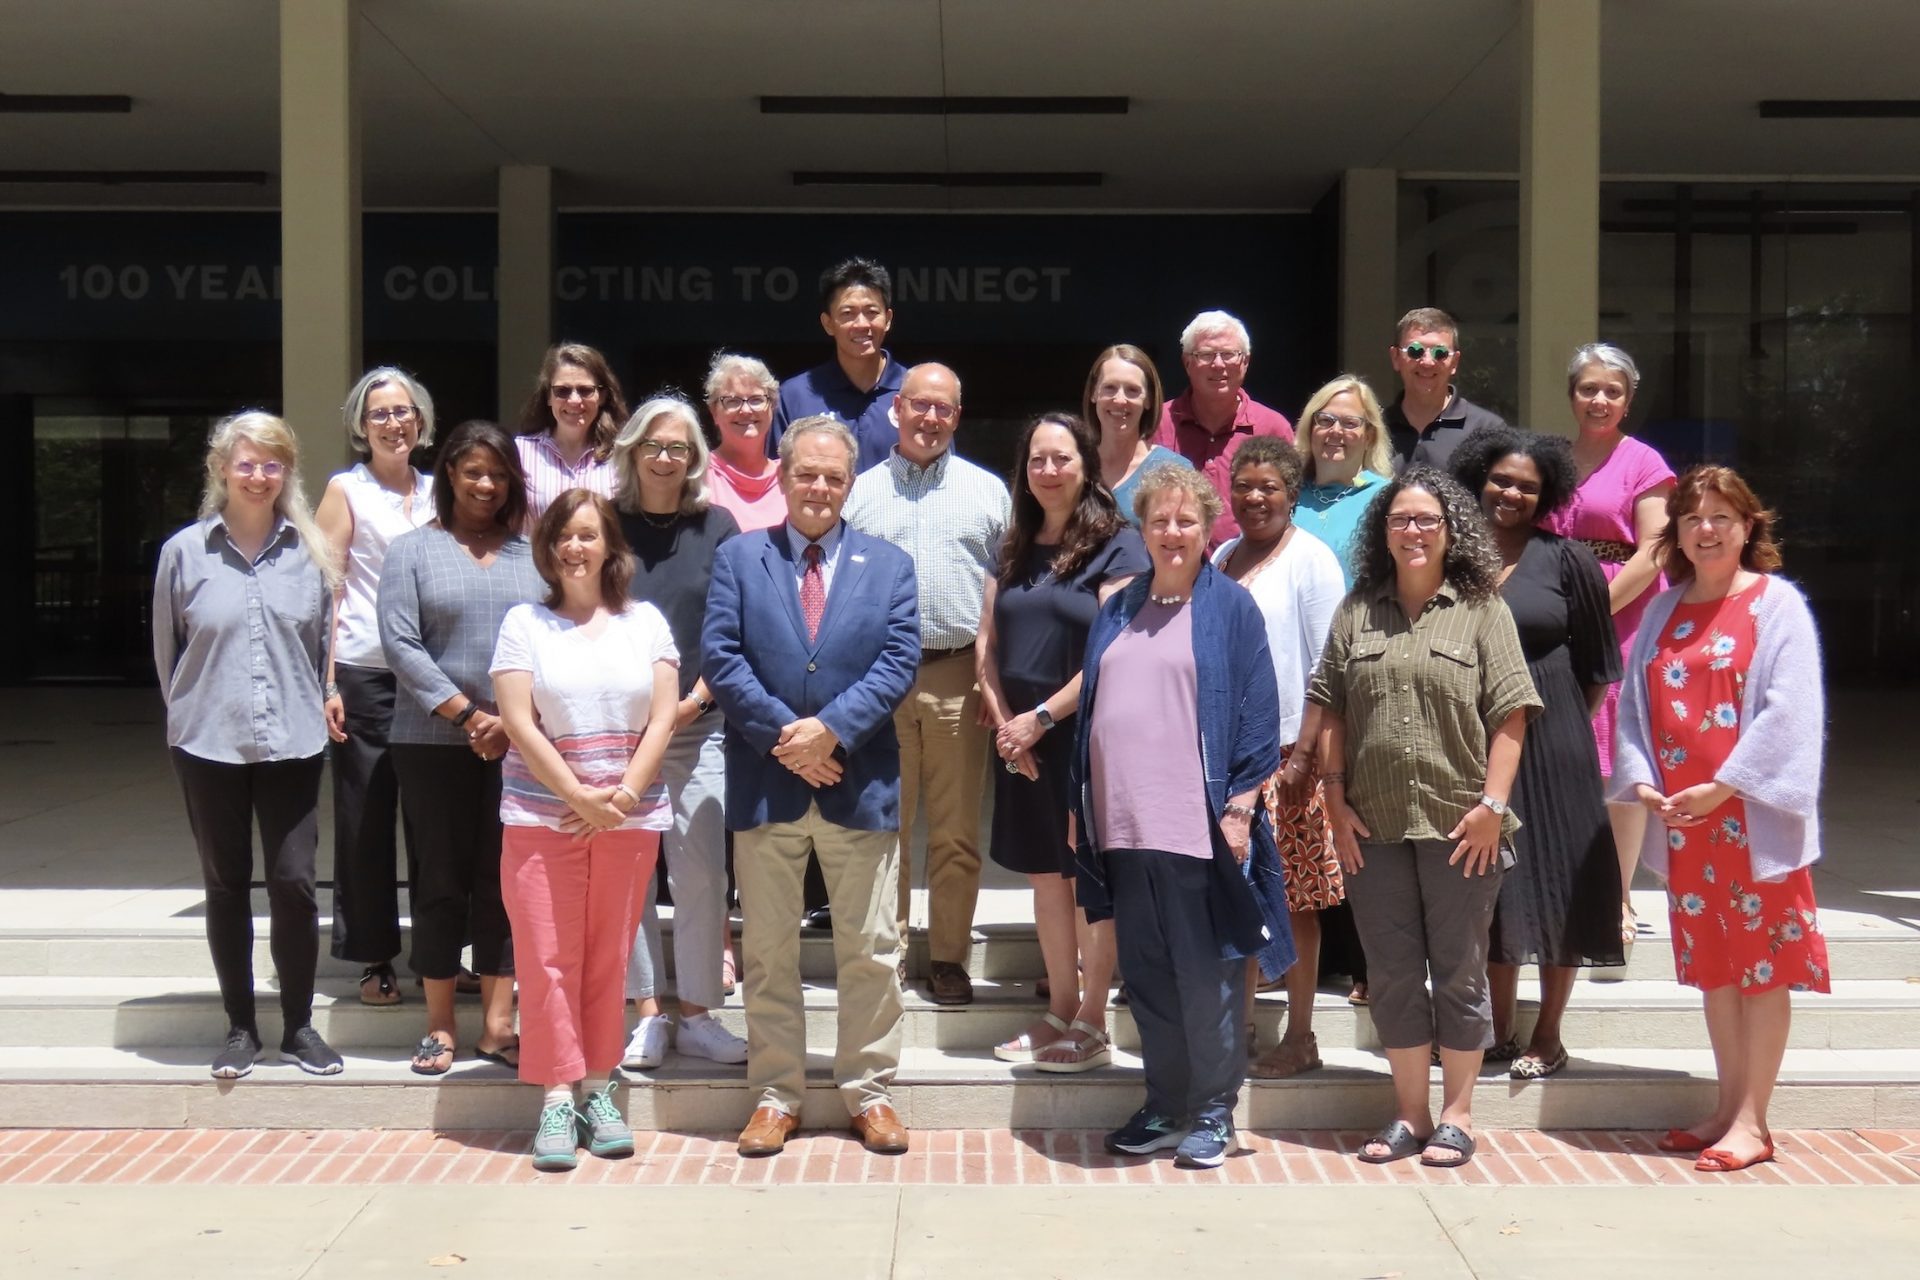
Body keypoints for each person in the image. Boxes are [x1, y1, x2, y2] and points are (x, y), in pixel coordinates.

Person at [1309, 467, 1541, 1168]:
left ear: (1450, 531)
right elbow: (1331, 707)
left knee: (1461, 971)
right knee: (1393, 972)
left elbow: (1511, 715)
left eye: (1427, 521)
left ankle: (1459, 1114)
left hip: (1459, 827)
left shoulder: (1481, 610)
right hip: (1373, 828)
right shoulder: (1357, 610)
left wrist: (1492, 808)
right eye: (1401, 520)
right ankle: (1409, 1114)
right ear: (1383, 531)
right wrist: (1333, 801)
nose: (1414, 532)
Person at [702, 415, 920, 1158]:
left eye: (833, 476)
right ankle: (775, 1094)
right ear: (784, 477)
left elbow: (898, 660)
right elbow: (722, 660)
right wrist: (787, 741)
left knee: (870, 949)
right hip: (769, 783)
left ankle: (869, 1091)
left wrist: (831, 731)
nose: (819, 488)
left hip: (859, 781)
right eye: (806, 474)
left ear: (848, 482)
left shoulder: (889, 565)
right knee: (768, 951)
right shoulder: (739, 558)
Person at [1612, 466, 1831, 1174]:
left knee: (1762, 970)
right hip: (1687, 824)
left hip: (1749, 822)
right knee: (1716, 972)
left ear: (1747, 527)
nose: (1706, 531)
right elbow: (1637, 708)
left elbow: (1791, 715)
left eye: (1721, 518)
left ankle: (1753, 1121)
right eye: (1692, 519)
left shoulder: (1777, 606)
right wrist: (1642, 779)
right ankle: (1725, 1105)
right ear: (1674, 532)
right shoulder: (1663, 610)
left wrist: (1724, 787)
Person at [1074, 465, 1292, 1171]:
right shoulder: (1116, 606)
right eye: (1160, 521)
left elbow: (1260, 714)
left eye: (1187, 521)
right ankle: (1164, 1103)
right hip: (1123, 828)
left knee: (1208, 981)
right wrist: (1082, 807)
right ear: (1143, 529)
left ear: (1208, 530)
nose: (1173, 533)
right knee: (1146, 975)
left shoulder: (1229, 607)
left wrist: (1237, 809)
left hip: (1198, 831)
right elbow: (1092, 713)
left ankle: (1211, 1113)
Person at [491, 489, 680, 1172]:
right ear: (548, 548)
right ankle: (555, 1097)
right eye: (564, 536)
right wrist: (575, 794)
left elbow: (663, 717)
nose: (577, 547)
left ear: (610, 547)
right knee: (546, 958)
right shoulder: (524, 624)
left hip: (629, 817)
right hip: (541, 817)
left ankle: (599, 1091)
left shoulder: (647, 622)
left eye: (589, 535)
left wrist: (623, 794)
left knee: (608, 956)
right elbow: (516, 719)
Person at [152, 412, 345, 1078]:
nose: (259, 476)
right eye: (247, 463)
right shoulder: (183, 552)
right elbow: (166, 654)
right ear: (221, 469)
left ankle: (298, 1026)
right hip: (209, 741)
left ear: (287, 471)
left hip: (293, 740)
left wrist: (326, 699)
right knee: (226, 885)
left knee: (293, 885)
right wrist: (183, 720)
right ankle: (240, 1026)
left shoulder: (311, 552)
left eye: (272, 464)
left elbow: (325, 649)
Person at [1450, 429, 1625, 1079]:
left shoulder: (1569, 560)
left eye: (1526, 484)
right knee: (1489, 885)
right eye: (1500, 479)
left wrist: (1561, 733)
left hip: (1555, 744)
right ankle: (1498, 1031)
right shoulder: (1453, 557)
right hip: (1470, 739)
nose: (1511, 492)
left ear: (1546, 491)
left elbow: (1599, 667)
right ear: (1478, 480)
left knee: (1558, 884)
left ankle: (1546, 1036)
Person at [977, 413, 1147, 1070]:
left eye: (1062, 459)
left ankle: (1094, 1019)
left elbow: (1114, 649)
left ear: (1086, 465)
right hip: (1020, 742)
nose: (1049, 471)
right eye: (1038, 460)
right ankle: (1059, 1011)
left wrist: (1040, 719)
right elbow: (987, 645)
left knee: (1086, 880)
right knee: (1046, 880)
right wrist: (1004, 721)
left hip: (1084, 736)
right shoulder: (1013, 545)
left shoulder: (1119, 545)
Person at [844, 363, 1010, 1006]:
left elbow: (1004, 592)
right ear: (897, 410)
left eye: (944, 408)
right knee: (883, 827)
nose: (931, 418)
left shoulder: (988, 493)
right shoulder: (859, 495)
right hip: (878, 682)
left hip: (956, 675)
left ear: (956, 417)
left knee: (955, 830)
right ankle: (886, 955)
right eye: (920, 406)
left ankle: (947, 959)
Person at [379, 421, 540, 1076]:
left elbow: (547, 637)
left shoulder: (532, 555)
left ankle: (498, 1028)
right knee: (440, 879)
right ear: (449, 473)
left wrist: (509, 722)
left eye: (498, 474)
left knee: (503, 883)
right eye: (473, 471)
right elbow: (400, 645)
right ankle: (440, 1025)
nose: (485, 484)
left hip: (519, 744)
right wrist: (470, 715)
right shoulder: (412, 551)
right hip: (432, 742)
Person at [609, 395, 748, 1070]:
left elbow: (731, 625)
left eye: (680, 449)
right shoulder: (603, 523)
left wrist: (692, 701)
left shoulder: (718, 527)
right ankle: (646, 1015)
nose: (666, 459)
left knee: (700, 874)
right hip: (619, 733)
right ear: (632, 450)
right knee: (630, 875)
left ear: (695, 460)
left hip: (698, 725)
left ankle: (696, 1012)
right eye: (654, 446)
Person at [1212, 438, 1346, 1080]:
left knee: (1294, 897)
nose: (1255, 497)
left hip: (1290, 755)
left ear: (1293, 492)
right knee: (1234, 894)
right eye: (1244, 486)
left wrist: (1306, 762)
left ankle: (1300, 1034)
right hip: (1228, 756)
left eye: (1269, 486)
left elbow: (1329, 665)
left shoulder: (1312, 560)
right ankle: (1234, 1026)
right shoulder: (1219, 557)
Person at [1539, 344, 1676, 953]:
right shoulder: (1554, 460)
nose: (1599, 401)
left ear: (1629, 399)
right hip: (1558, 617)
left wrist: (1595, 609)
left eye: (1612, 391)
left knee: (1620, 765)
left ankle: (1617, 894)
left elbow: (1654, 551)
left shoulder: (1645, 463)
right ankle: (1569, 882)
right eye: (1589, 389)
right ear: (1572, 394)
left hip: (1623, 620)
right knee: (1568, 759)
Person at [315, 367, 436, 1008]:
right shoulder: (347, 490)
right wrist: (327, 680)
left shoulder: (444, 492)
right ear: (362, 427)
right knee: (365, 820)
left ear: (421, 421)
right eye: (380, 413)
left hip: (434, 680)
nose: (394, 422)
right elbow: (326, 591)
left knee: (433, 822)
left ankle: (439, 955)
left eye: (403, 411)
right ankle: (373, 958)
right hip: (365, 673)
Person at [1153, 309, 1294, 548]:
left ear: (1245, 362)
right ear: (1187, 363)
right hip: (1172, 566)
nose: (1218, 364)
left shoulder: (1273, 427)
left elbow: (1291, 507)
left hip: (1250, 569)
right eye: (1206, 355)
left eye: (1228, 354)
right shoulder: (1157, 423)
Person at [769, 257, 908, 473]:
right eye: (847, 314)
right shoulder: (793, 396)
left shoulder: (916, 392)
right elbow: (776, 479)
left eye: (872, 312)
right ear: (828, 323)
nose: (861, 324)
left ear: (888, 319)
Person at [1292, 375, 1395, 585]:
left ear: (1369, 437)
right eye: (1325, 420)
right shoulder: (1288, 495)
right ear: (1310, 429)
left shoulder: (1388, 499)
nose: (1336, 431)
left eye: (1350, 423)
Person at [515, 343, 631, 524]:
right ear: (548, 397)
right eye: (562, 391)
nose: (574, 400)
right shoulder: (519, 453)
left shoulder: (623, 456)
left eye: (585, 390)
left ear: (602, 396)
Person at [1383, 307, 1508, 470]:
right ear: (1396, 358)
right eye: (1415, 351)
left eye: (1440, 353)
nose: (1427, 362)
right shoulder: (1374, 429)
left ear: (1454, 362)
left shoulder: (1488, 429)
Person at [1083, 343, 1189, 524]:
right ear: (1094, 393)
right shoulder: (1075, 466)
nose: (1119, 399)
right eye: (1110, 387)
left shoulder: (1174, 470)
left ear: (1148, 399)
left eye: (1132, 390)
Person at [702, 351, 788, 531]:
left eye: (756, 399)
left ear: (772, 407)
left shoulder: (790, 476)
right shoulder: (697, 474)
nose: (746, 410)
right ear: (714, 412)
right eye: (733, 401)